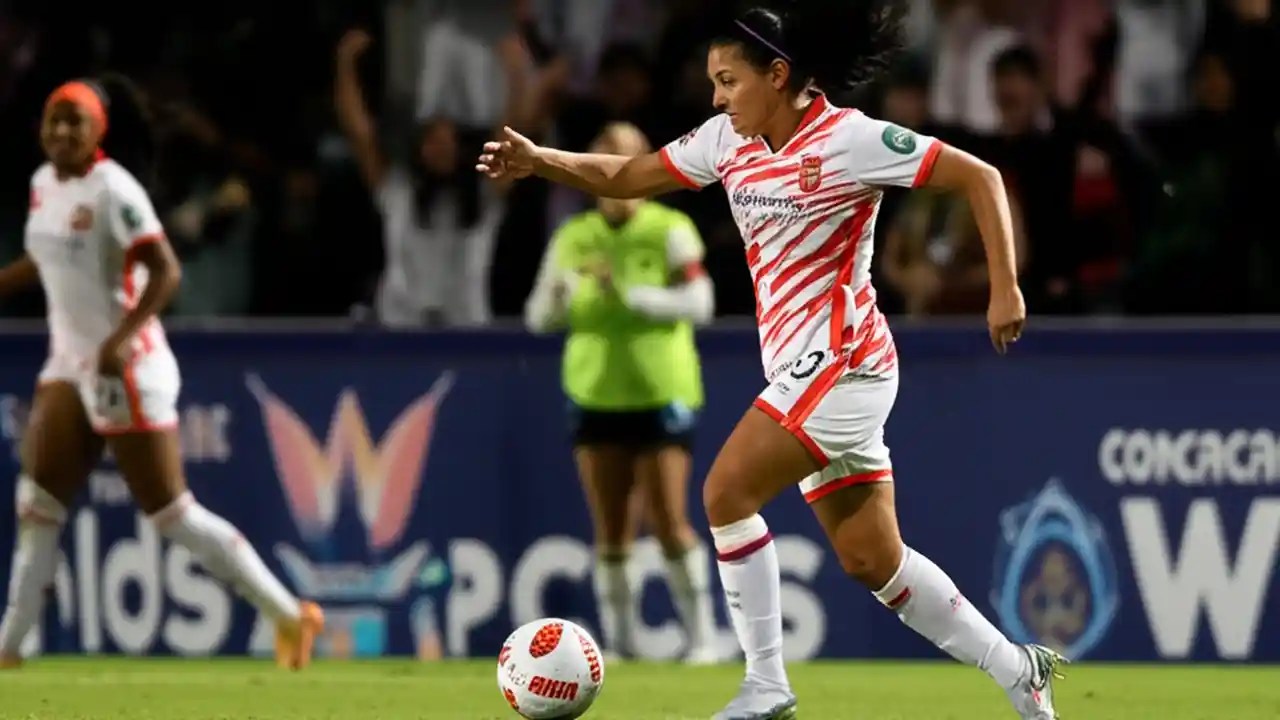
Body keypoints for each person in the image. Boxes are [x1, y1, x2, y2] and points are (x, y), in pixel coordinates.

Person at [479, 2, 1064, 719]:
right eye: (713, 83)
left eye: (728, 80)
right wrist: (542, 161)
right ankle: (1017, 669)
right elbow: (629, 175)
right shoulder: (729, 142)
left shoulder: (850, 140)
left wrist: (1004, 288)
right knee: (873, 561)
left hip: (846, 360)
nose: (718, 97)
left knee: (724, 493)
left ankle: (765, 683)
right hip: (800, 370)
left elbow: (981, 177)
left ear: (778, 74)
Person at [0, 75, 323, 669]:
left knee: (171, 514)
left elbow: (166, 271)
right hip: (70, 363)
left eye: (76, 120)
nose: (64, 130)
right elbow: (45, 258)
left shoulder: (115, 190)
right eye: (55, 119)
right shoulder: (42, 185)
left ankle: (289, 614)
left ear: (100, 129)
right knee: (37, 501)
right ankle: (9, 648)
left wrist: (121, 341)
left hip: (128, 365)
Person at [524, 122, 722, 664]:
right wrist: (560, 297)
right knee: (610, 526)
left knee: (666, 517)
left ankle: (702, 637)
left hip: (662, 390)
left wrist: (632, 296)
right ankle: (621, 642)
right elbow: (538, 318)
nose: (608, 161)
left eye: (620, 152)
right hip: (594, 393)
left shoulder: (670, 229)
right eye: (601, 151)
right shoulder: (573, 237)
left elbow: (701, 303)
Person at [336, 28, 514, 327]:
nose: (440, 148)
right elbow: (361, 136)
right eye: (432, 140)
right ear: (418, 149)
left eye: (448, 140)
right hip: (400, 333)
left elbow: (513, 137)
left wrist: (514, 74)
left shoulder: (485, 195)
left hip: (469, 333)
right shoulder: (397, 191)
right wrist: (345, 66)